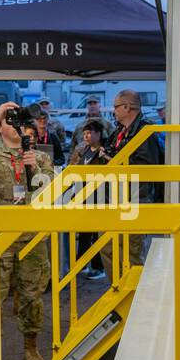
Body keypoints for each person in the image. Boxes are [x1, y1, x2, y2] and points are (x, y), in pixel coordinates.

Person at [0, 102, 55, 360]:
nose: (16, 126)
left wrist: (38, 173)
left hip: (31, 237)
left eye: (20, 124)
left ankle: (31, 347)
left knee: (32, 296)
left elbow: (51, 193)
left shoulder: (39, 157)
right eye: (9, 121)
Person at [104, 88, 161, 270]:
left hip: (135, 198)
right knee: (108, 246)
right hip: (115, 197)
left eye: (116, 107)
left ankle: (134, 295)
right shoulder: (119, 131)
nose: (114, 111)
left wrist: (116, 161)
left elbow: (147, 165)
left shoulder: (145, 131)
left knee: (132, 252)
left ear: (127, 107)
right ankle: (118, 288)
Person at [67, 118, 111, 281]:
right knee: (85, 231)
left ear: (98, 134)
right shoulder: (83, 150)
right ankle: (82, 263)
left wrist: (105, 157)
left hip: (100, 197)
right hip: (84, 195)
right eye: (84, 133)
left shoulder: (105, 151)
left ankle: (98, 267)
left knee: (96, 234)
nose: (86, 136)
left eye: (90, 133)